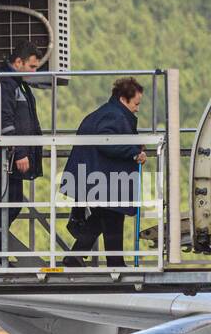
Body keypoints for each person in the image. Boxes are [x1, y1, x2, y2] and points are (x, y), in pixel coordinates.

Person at [61, 76, 147, 268]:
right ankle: (113, 263)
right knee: (111, 217)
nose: (137, 108)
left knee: (105, 217)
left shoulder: (108, 112)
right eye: (136, 103)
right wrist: (134, 153)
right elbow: (107, 141)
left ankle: (80, 257)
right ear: (124, 99)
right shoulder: (114, 116)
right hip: (103, 177)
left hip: (97, 175)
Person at [0, 42, 45, 255]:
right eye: (32, 66)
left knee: (12, 203)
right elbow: (4, 120)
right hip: (2, 158)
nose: (35, 71)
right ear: (19, 62)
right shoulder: (6, 83)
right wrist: (20, 151)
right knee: (6, 205)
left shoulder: (15, 83)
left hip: (8, 157)